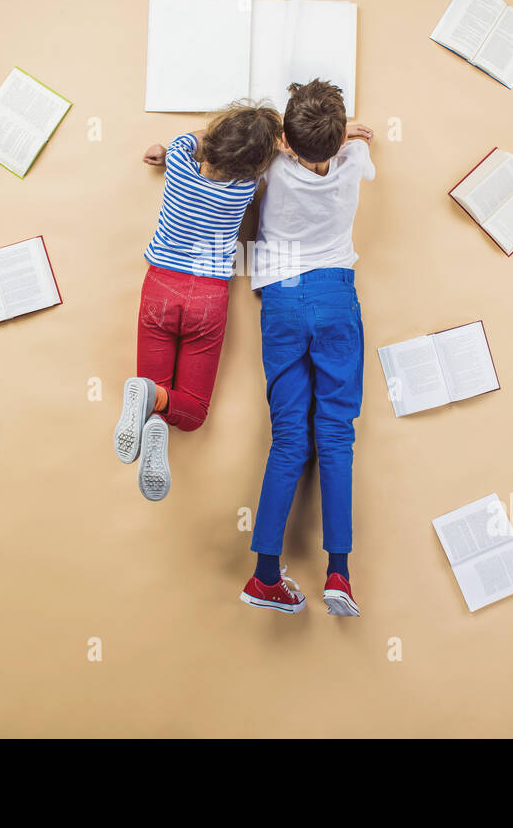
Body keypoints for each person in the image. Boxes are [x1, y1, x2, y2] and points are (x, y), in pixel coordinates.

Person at [238, 79, 375, 616]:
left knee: (289, 437)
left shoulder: (269, 166)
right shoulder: (355, 159)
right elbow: (350, 145)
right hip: (335, 295)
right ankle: (338, 572)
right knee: (336, 435)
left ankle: (264, 574)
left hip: (282, 300)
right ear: (339, 136)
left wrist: (284, 144)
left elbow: (266, 148)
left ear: (287, 142)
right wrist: (343, 137)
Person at [113, 104, 281, 501]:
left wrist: (172, 146)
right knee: (193, 413)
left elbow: (193, 140)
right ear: (254, 165)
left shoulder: (178, 164)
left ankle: (151, 397)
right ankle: (155, 403)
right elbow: (261, 162)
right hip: (208, 296)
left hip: (160, 287)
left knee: (158, 386)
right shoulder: (245, 189)